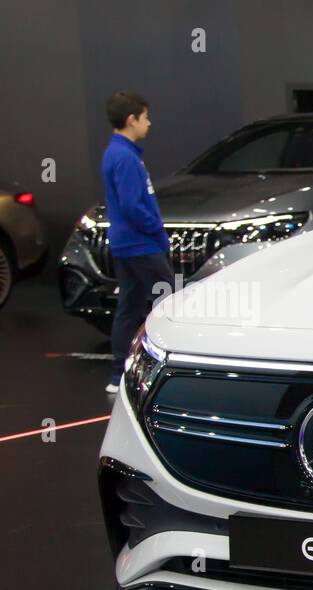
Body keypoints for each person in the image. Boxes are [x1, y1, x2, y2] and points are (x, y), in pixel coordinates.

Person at [102, 91, 172, 394]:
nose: (149, 123)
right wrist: (157, 228)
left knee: (129, 306)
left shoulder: (116, 154)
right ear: (132, 120)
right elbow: (132, 206)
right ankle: (171, 368)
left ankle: (118, 374)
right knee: (169, 299)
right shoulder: (125, 158)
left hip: (126, 245)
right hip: (141, 244)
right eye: (145, 117)